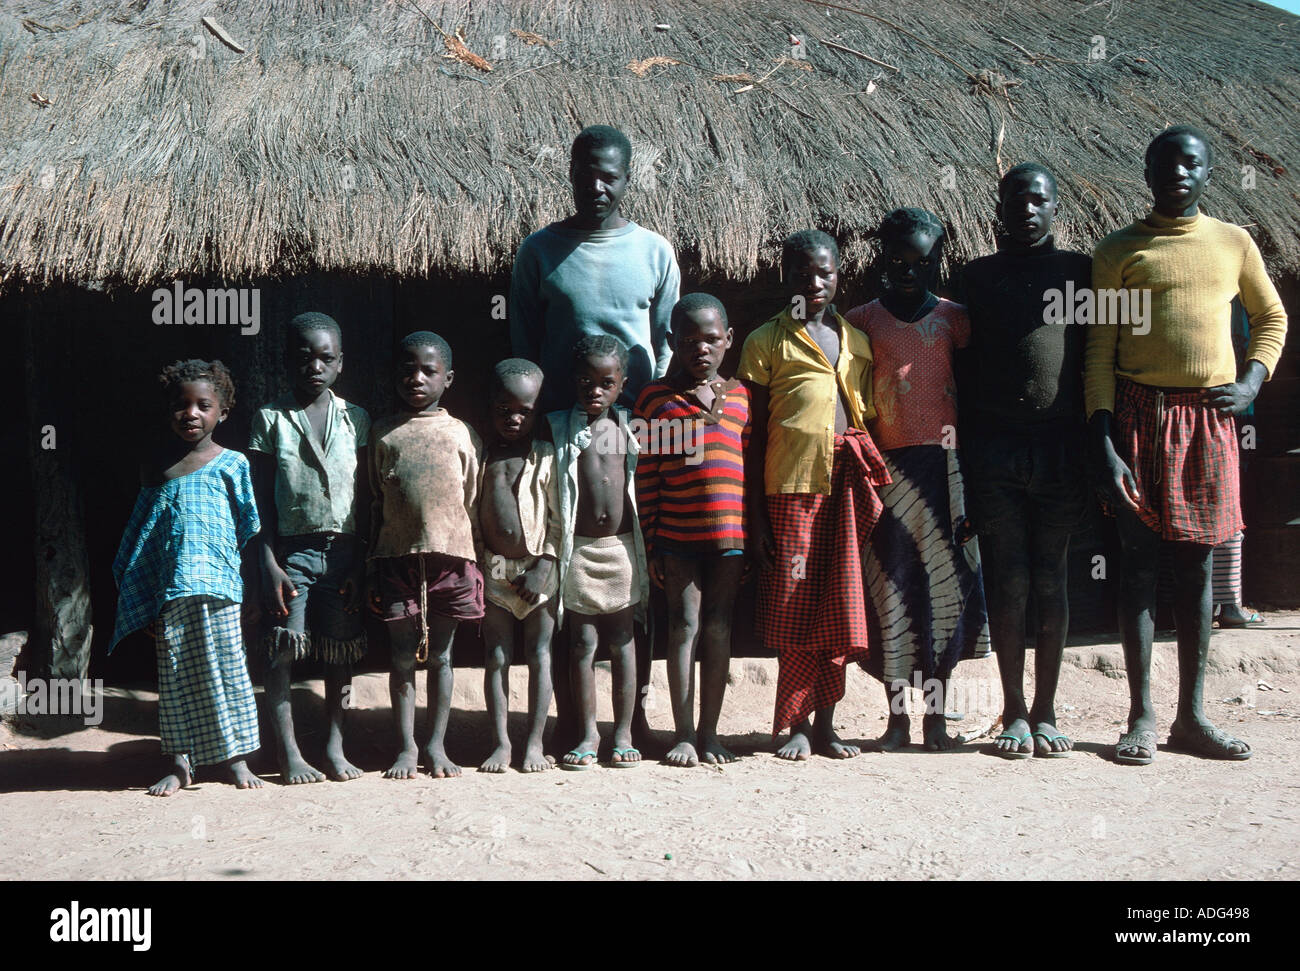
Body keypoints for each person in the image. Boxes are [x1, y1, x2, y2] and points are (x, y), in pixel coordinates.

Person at [1087, 125, 1288, 764]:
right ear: (1147, 174)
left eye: (1191, 164)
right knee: (1139, 566)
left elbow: (1272, 317)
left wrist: (1252, 377)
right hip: (1139, 416)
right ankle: (1141, 717)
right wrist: (1104, 437)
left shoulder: (1234, 242)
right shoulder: (1119, 250)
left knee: (1196, 569)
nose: (1178, 173)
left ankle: (1192, 718)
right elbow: (1099, 349)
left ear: (1206, 173)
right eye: (1166, 164)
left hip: (1209, 420)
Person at [510, 124, 681, 750]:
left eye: (609, 175)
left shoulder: (655, 253)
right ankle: (573, 727)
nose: (597, 186)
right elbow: (523, 347)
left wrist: (651, 421)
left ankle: (632, 721)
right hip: (560, 437)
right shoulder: (540, 250)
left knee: (635, 591)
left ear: (628, 177)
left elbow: (666, 349)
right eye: (586, 174)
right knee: (567, 589)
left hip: (632, 437)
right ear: (571, 174)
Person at [955, 166, 1092, 758]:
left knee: (1052, 577)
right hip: (994, 452)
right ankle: (1012, 710)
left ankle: (1048, 710)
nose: (1028, 209)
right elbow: (959, 371)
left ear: (1057, 207)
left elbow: (1098, 359)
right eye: (1018, 200)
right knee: (1007, 579)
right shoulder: (975, 279)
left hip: (1061, 449)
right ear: (1001, 208)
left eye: (1039, 200)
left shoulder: (1079, 274)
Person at [739, 230, 891, 761]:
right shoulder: (765, 342)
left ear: (839, 275)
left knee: (838, 606)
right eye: (803, 273)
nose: (815, 282)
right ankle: (797, 723)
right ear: (786, 277)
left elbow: (866, 417)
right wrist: (754, 517)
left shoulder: (856, 342)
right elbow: (751, 435)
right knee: (794, 607)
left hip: (844, 488)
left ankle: (827, 724)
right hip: (790, 490)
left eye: (824, 273)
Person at [847, 208, 991, 752]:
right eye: (898, 260)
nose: (910, 270)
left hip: (948, 470)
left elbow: (974, 395)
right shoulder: (861, 322)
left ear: (939, 261)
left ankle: (936, 718)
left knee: (944, 589)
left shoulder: (956, 320)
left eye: (922, 261)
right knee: (891, 587)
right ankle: (896, 720)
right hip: (886, 472)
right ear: (882, 260)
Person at [111, 359, 263, 795]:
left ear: (223, 412)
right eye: (181, 405)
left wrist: (251, 588)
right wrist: (142, 593)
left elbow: (247, 530)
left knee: (229, 673)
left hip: (221, 588)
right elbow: (142, 537)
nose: (191, 414)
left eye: (204, 405)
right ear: (169, 412)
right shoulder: (156, 469)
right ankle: (180, 764)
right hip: (173, 591)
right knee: (176, 675)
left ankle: (236, 759)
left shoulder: (233, 464)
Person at [249, 312, 370, 784]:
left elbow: (366, 498)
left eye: (326, 358)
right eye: (304, 357)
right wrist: (268, 564)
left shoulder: (355, 418)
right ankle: (290, 753)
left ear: (340, 363)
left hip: (343, 553)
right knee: (282, 652)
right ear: (287, 362)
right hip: (289, 555)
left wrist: (359, 561)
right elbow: (258, 501)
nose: (314, 366)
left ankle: (335, 746)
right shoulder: (270, 419)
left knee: (340, 657)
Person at [634, 293, 750, 767]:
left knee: (719, 628)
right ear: (671, 342)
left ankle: (710, 733)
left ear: (728, 340)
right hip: (676, 538)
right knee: (683, 627)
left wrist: (753, 537)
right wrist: (653, 541)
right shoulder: (655, 400)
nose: (700, 349)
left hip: (730, 537)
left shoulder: (742, 397)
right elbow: (647, 476)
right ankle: (682, 734)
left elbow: (752, 473)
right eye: (688, 341)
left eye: (710, 339)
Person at [367, 331, 484, 779]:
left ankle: (436, 746)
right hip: (397, 557)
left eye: (428, 371)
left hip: (451, 558)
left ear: (448, 378)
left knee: (442, 657)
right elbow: (376, 497)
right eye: (407, 370)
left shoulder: (461, 434)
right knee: (401, 658)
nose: (416, 379)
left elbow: (470, 497)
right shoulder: (383, 432)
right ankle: (405, 748)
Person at [548, 335, 649, 768]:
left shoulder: (631, 426)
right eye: (586, 381)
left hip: (623, 550)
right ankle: (587, 732)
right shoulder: (557, 427)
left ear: (622, 383)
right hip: (580, 552)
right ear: (573, 381)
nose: (595, 390)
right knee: (582, 644)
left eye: (606, 382)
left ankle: (623, 732)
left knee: (624, 641)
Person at [477, 359, 561, 773]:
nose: (513, 418)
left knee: (540, 653)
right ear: (489, 405)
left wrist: (545, 564)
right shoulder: (481, 455)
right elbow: (468, 513)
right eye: (503, 409)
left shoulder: (547, 456)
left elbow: (560, 516)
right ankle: (501, 744)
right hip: (493, 570)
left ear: (537, 410)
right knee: (497, 656)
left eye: (524, 411)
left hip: (538, 570)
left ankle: (534, 743)